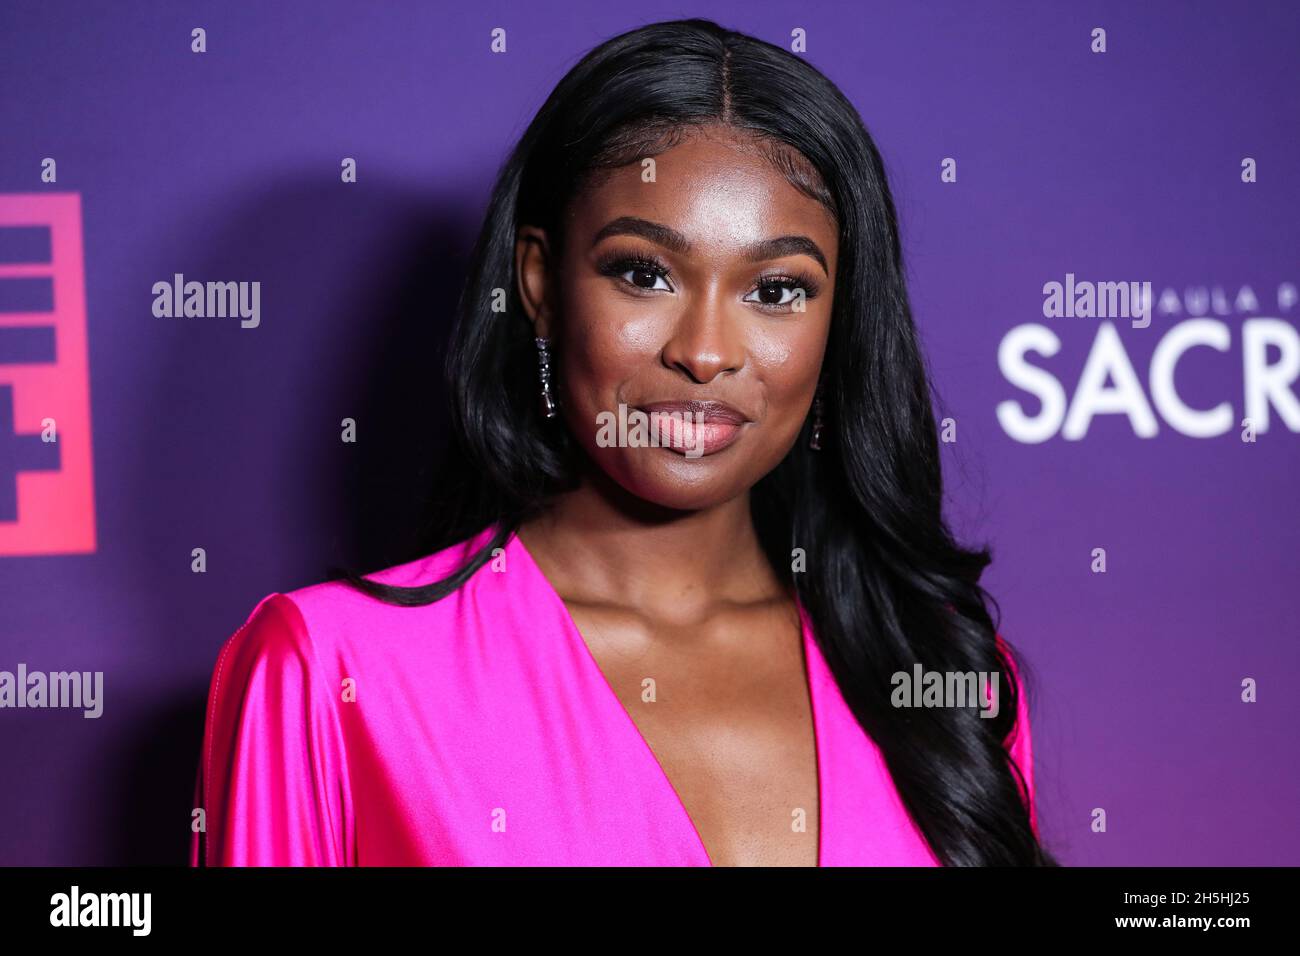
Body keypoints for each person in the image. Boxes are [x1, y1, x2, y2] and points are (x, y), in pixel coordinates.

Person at [190, 17, 1053, 867]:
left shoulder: (943, 676)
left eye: (779, 289)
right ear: (539, 282)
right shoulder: (333, 672)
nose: (706, 351)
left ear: (841, 322)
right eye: (643, 273)